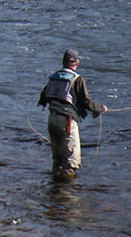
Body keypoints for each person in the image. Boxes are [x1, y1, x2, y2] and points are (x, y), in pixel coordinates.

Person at [37, 48, 106, 177]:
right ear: (77, 63)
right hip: (66, 122)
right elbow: (86, 102)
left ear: (63, 62)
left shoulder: (53, 78)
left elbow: (43, 98)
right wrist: (100, 108)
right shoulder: (77, 79)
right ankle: (68, 192)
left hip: (52, 119)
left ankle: (55, 186)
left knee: (57, 159)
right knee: (70, 161)